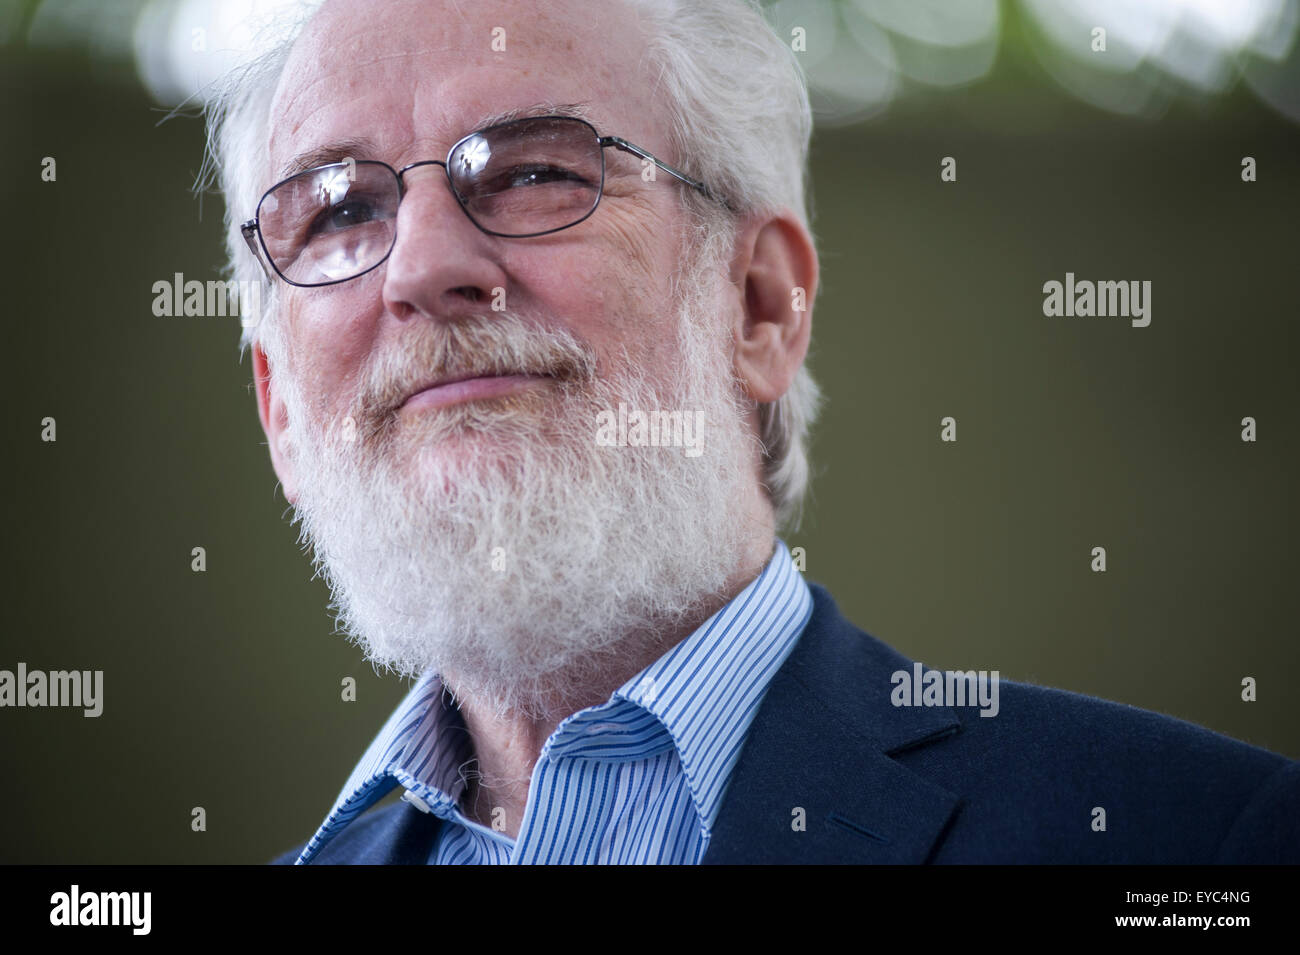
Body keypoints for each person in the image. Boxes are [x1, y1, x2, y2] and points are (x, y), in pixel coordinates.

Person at [202, 0, 1299, 864]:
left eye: (536, 172)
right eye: (340, 209)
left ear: (759, 305)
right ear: (282, 413)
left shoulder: (1203, 839)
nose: (423, 267)